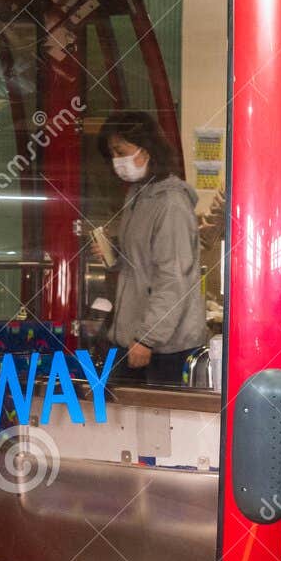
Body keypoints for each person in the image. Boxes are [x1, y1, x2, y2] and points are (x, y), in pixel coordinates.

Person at [94, 110, 207, 386]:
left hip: (164, 348)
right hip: (133, 338)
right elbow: (144, 263)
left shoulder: (171, 204)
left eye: (121, 151)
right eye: (112, 154)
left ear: (147, 149)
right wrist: (116, 255)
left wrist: (147, 337)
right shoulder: (137, 196)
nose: (116, 161)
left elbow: (173, 278)